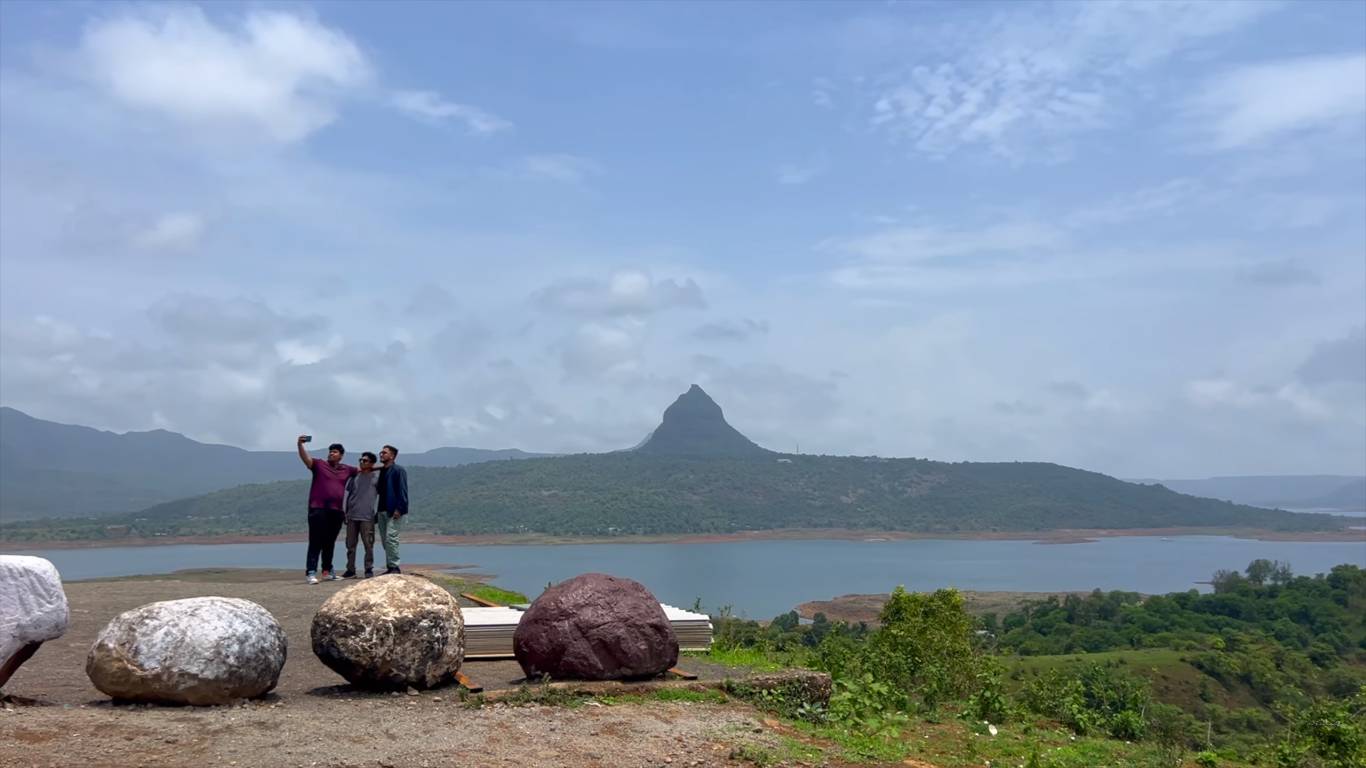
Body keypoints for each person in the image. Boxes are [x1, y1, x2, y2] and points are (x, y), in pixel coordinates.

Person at [297, 436, 358, 584]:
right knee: (315, 541)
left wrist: (384, 466)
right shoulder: (319, 465)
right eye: (330, 451)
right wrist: (300, 444)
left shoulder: (347, 469)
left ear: (341, 455)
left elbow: (364, 469)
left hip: (336, 511)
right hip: (318, 509)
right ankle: (311, 572)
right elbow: (306, 459)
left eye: (335, 452)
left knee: (329, 542)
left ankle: (327, 571)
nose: (331, 453)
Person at [342, 451, 380, 579]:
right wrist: (345, 512)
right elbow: (347, 496)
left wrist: (378, 514)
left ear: (372, 463)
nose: (362, 462)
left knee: (368, 545)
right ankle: (350, 570)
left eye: (365, 461)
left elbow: (382, 496)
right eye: (360, 460)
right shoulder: (354, 477)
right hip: (352, 516)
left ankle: (368, 569)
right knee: (350, 545)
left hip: (367, 517)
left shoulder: (376, 478)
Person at [376, 444, 409, 574]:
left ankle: (395, 567)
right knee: (385, 541)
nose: (381, 454)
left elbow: (402, 490)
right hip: (382, 510)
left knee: (391, 538)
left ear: (392, 456)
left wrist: (399, 509)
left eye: (384, 453)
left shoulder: (398, 470)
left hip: (395, 511)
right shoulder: (382, 471)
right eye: (381, 452)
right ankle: (390, 567)